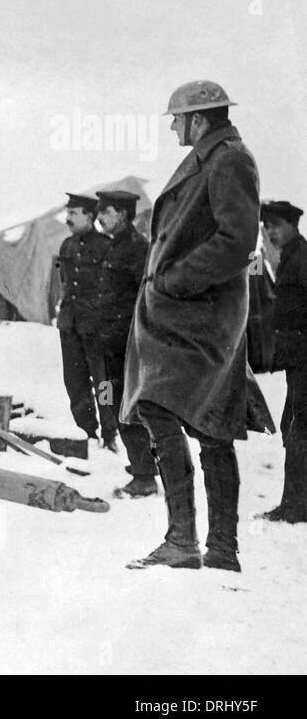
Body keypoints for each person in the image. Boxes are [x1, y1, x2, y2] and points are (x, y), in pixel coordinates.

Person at [121, 81, 260, 571]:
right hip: (198, 315)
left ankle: (184, 540)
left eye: (177, 120)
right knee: (211, 425)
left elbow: (238, 239)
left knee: (160, 407)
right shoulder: (216, 157)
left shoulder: (228, 160)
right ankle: (220, 548)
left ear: (199, 119)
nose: (175, 127)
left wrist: (176, 280)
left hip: (200, 316)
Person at [92, 190, 156, 497]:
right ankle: (141, 465)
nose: (100, 217)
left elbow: (145, 298)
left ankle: (145, 477)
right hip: (111, 342)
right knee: (117, 404)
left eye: (107, 211)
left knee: (129, 408)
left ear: (124, 214)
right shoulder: (115, 246)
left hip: (128, 345)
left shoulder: (137, 248)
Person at [257, 200, 307, 523]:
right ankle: (294, 504)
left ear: (292, 225)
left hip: (304, 360)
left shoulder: (302, 259)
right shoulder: (290, 257)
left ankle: (296, 507)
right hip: (297, 361)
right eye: (267, 226)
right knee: (295, 428)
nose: (270, 232)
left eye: (275, 225)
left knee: (299, 430)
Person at [56, 193, 113, 448]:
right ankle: (87, 434)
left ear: (90, 217)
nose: (68, 219)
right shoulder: (66, 246)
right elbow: (65, 283)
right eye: (68, 213)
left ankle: (110, 434)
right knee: (75, 382)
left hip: (97, 327)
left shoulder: (105, 246)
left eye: (74, 213)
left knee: (104, 383)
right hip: (70, 325)